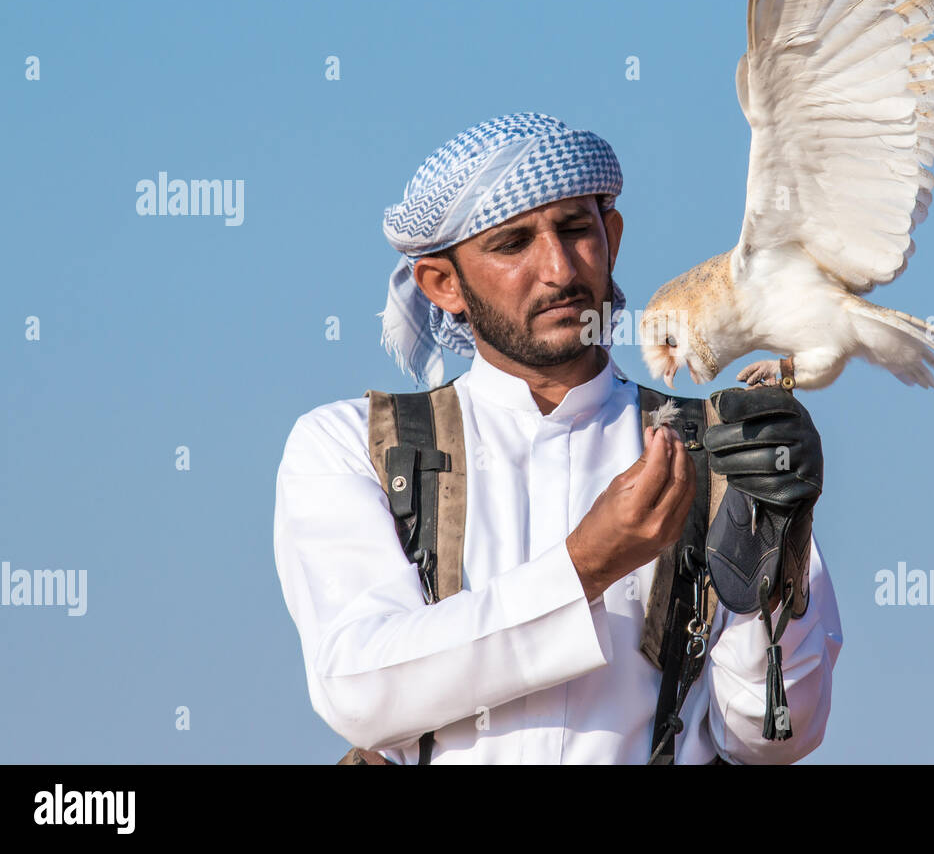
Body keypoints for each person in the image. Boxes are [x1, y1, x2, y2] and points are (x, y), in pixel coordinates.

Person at [273, 112, 843, 764]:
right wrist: (586, 564)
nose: (558, 269)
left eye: (576, 230)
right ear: (443, 284)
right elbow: (361, 692)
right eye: (513, 243)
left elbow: (774, 738)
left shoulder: (716, 450)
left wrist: (775, 551)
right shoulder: (357, 446)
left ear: (613, 237)